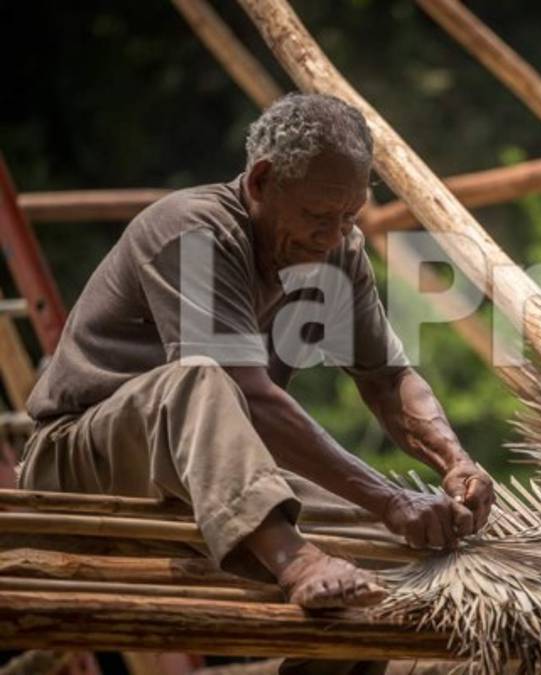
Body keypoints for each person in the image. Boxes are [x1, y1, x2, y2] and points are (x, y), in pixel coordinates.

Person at [16, 93, 495, 612]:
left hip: (211, 475)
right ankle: (296, 561)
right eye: (318, 215)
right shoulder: (194, 231)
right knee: (200, 378)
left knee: (384, 557)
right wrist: (391, 498)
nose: (334, 237)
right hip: (85, 458)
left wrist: (454, 459)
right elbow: (247, 396)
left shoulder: (338, 251)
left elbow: (385, 378)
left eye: (350, 217)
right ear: (261, 182)